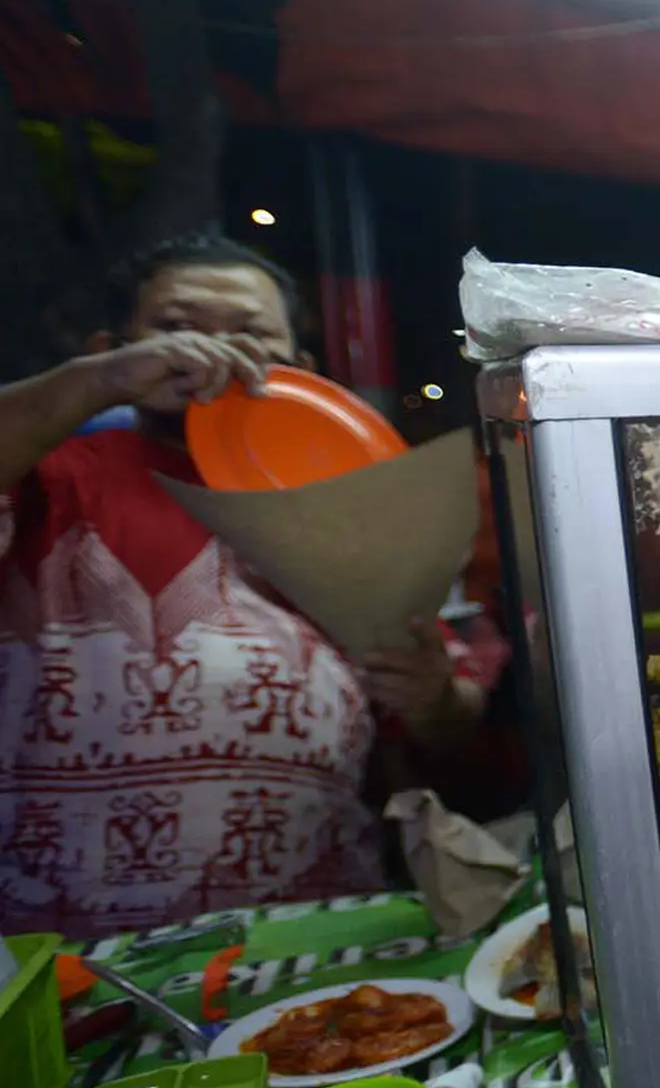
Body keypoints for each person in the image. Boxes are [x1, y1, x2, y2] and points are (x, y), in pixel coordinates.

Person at [0, 232, 495, 938]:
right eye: (176, 328)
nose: (214, 352)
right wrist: (94, 384)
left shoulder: (348, 501)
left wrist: (436, 697)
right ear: (113, 345)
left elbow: (448, 722)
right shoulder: (52, 475)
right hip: (70, 951)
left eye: (250, 333)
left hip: (311, 935)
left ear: (300, 367)